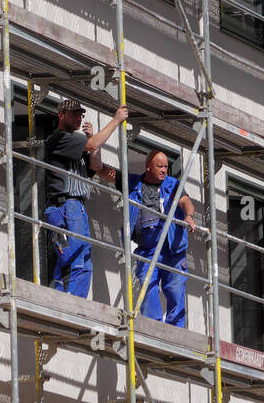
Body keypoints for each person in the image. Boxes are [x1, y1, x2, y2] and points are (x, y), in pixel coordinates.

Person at [42, 98, 129, 297]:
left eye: (80, 115)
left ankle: (72, 301)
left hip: (77, 207)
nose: (78, 118)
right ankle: (68, 302)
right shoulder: (59, 138)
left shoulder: (78, 143)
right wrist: (116, 120)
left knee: (84, 262)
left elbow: (96, 166)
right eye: (73, 114)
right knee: (74, 260)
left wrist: (93, 147)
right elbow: (92, 144)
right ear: (61, 115)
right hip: (66, 206)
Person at [128, 151, 196, 328]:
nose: (164, 170)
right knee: (147, 286)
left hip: (172, 250)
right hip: (147, 249)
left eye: (166, 166)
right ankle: (153, 326)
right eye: (160, 166)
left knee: (175, 290)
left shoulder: (172, 184)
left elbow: (184, 201)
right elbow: (107, 173)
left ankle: (176, 331)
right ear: (148, 166)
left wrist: (188, 216)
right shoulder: (134, 183)